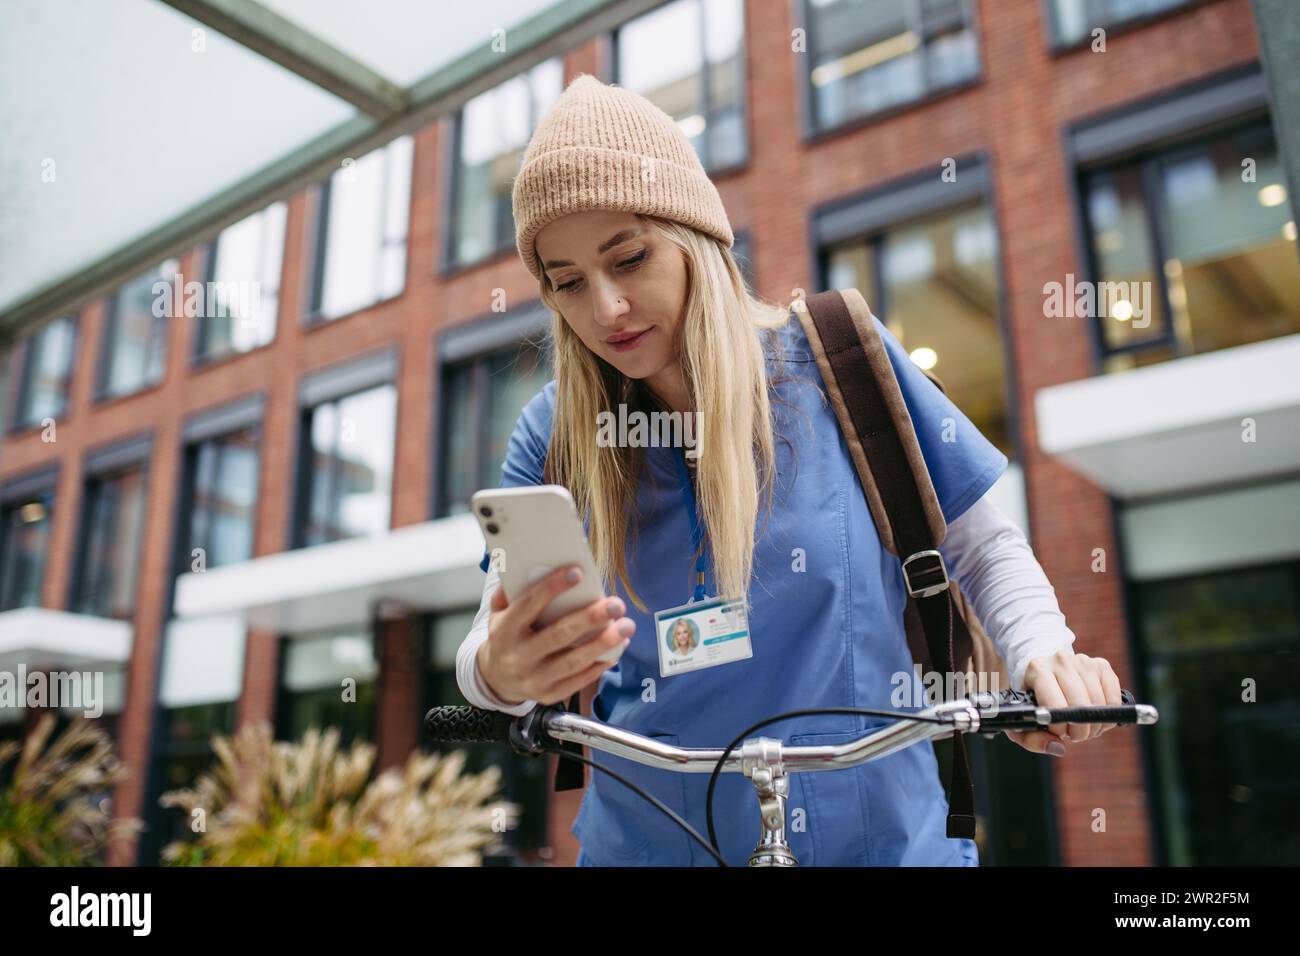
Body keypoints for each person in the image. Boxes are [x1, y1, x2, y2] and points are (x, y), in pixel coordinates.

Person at [456, 74, 1123, 867]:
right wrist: (497, 671)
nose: (605, 310)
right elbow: (486, 644)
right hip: (646, 844)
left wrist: (1043, 651)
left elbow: (979, 546)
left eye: (629, 258)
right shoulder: (554, 434)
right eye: (567, 283)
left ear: (696, 239)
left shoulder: (840, 361)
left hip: (879, 840)